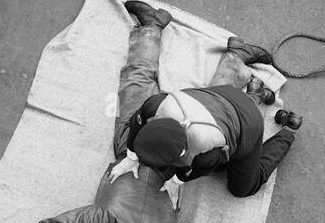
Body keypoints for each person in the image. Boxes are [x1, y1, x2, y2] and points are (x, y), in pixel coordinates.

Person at [0, 1, 213, 223]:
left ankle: (236, 60)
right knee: (138, 77)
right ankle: (153, 25)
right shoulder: (105, 221)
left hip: (178, 158)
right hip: (138, 144)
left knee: (207, 108)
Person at [109, 34, 302, 199]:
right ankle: (250, 88)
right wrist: (131, 158)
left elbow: (197, 169)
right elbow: (136, 123)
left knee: (242, 187)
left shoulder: (204, 154)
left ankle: (289, 130)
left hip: (248, 123)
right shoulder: (156, 105)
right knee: (217, 112)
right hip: (218, 95)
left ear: (183, 154)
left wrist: (175, 182)